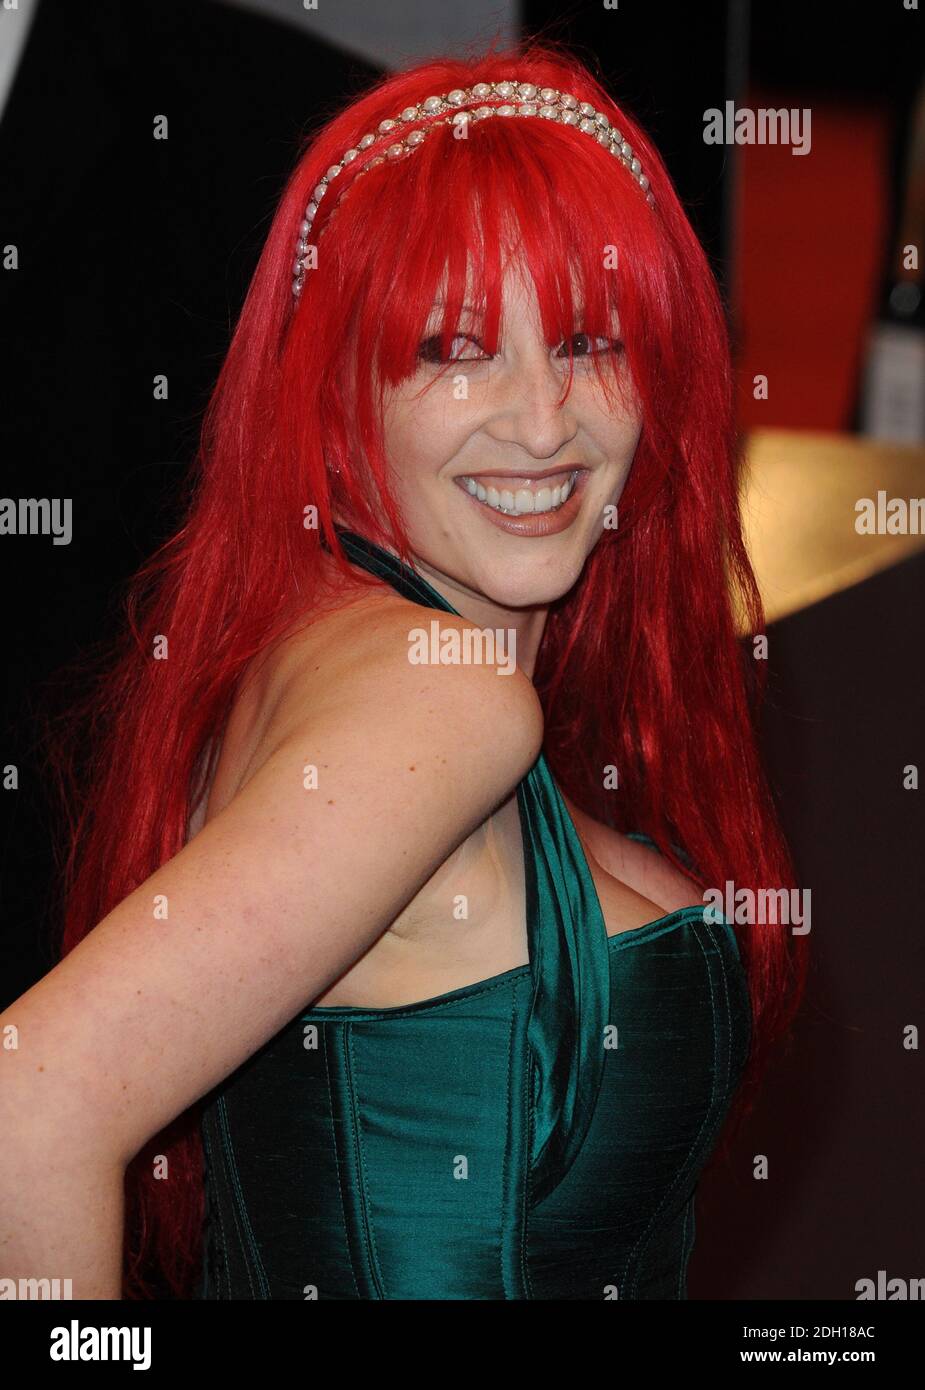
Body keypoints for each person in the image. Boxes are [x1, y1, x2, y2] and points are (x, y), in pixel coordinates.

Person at [0, 40, 805, 1300]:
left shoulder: (330, 648)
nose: (542, 421)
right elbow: (27, 1108)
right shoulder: (441, 693)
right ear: (337, 387)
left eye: (589, 342)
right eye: (455, 349)